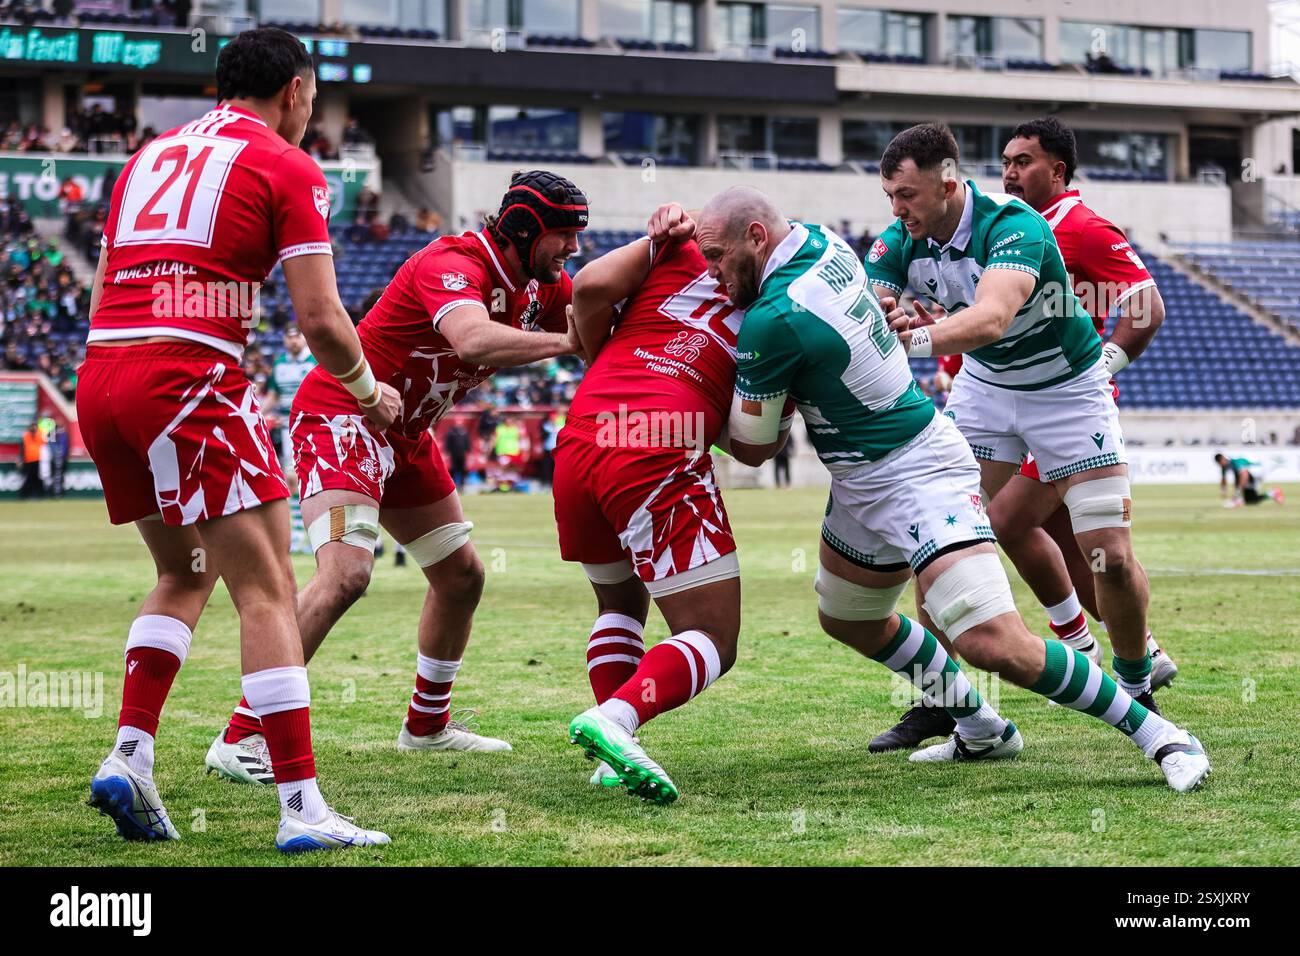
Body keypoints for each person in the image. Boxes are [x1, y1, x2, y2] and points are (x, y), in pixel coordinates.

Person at [704, 185, 1208, 792]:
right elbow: (870, 296)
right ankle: (979, 725)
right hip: (863, 474)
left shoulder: (772, 320)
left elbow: (754, 448)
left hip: (918, 469)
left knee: (994, 642)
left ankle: (1160, 733)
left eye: (716, 257)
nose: (712, 274)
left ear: (757, 238)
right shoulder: (818, 240)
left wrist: (695, 409)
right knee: (848, 617)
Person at [77, 28, 400, 853]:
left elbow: (108, 284)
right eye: (312, 99)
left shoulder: (145, 158)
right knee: (268, 590)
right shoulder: (286, 164)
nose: (311, 114)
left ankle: (129, 757)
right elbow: (321, 319)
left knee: (183, 572)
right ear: (294, 91)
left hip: (103, 376)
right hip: (186, 379)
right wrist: (369, 393)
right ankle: (302, 809)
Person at [206, 170, 588, 776]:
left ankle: (427, 726)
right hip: (342, 418)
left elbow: (602, 303)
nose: (573, 247)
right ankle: (241, 734)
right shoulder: (454, 261)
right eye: (563, 234)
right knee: (346, 575)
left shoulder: (544, 285)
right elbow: (471, 340)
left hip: (405, 434)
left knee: (461, 577)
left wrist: (663, 246)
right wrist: (566, 343)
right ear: (525, 228)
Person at [868, 125, 1199, 757]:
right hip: (985, 390)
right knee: (940, 538)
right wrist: (887, 311)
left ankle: (1136, 681)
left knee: (1108, 555)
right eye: (890, 196)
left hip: (1068, 391)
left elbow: (993, 318)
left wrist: (906, 338)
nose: (897, 209)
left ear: (947, 183)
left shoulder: (1017, 225)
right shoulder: (900, 238)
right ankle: (950, 706)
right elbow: (874, 301)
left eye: (906, 195)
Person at [557, 208, 747, 804]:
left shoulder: (677, 249)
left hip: (583, 433)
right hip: (657, 444)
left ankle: (612, 759)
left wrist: (606, 360)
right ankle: (616, 719)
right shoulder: (784, 307)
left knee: (619, 601)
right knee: (712, 634)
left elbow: (589, 287)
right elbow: (754, 447)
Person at [1216, 452, 1284, 506]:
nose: (1221, 465)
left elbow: (1244, 475)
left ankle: (1237, 500)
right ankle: (1273, 493)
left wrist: (1238, 492)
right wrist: (1223, 491)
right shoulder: (1224, 464)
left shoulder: (1235, 462)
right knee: (1250, 500)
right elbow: (1224, 479)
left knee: (1240, 481)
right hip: (1251, 473)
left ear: (1223, 459)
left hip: (1256, 472)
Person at [19, 419, 44, 499]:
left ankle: (38, 495)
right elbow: (22, 449)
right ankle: (25, 496)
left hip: (38, 460)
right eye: (32, 426)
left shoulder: (40, 434)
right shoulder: (26, 435)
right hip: (28, 461)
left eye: (35, 425)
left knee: (38, 478)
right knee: (29, 479)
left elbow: (51, 440)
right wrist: (20, 460)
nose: (33, 427)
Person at [443, 421, 470, 488]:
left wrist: (468, 449)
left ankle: (462, 483)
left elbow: (467, 441)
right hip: (454, 454)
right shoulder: (451, 433)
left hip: (462, 454)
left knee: (462, 468)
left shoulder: (464, 432)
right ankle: (453, 483)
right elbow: (448, 442)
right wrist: (447, 450)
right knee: (454, 468)